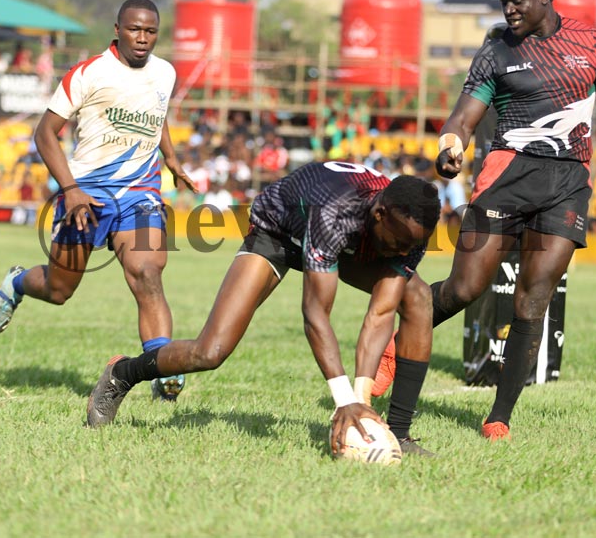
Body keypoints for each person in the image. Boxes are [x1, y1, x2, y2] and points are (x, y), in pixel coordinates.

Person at [380, 0, 596, 442]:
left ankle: (499, 417)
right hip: (504, 179)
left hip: (566, 185)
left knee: (533, 299)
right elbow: (462, 118)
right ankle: (392, 349)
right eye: (504, 0)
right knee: (465, 289)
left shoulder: (593, 46)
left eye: (517, 0)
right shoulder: (496, 51)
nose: (509, 8)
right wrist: (450, 147)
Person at [86, 161, 441, 458]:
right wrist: (343, 401)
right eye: (401, 243)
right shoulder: (334, 211)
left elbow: (380, 314)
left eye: (413, 245)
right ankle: (123, 373)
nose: (405, 251)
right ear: (380, 214)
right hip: (279, 232)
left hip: (350, 240)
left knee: (418, 297)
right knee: (210, 351)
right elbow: (316, 314)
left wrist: (362, 403)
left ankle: (399, 432)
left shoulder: (410, 232)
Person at [0, 0, 197, 402]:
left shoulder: (165, 72)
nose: (143, 38)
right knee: (58, 290)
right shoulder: (88, 74)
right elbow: (44, 134)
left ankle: (161, 369)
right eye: (135, 29)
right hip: (85, 194)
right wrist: (71, 191)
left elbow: (157, 112)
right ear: (117, 30)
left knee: (148, 272)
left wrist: (170, 158)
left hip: (140, 191)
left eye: (151, 31)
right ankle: (16, 282)